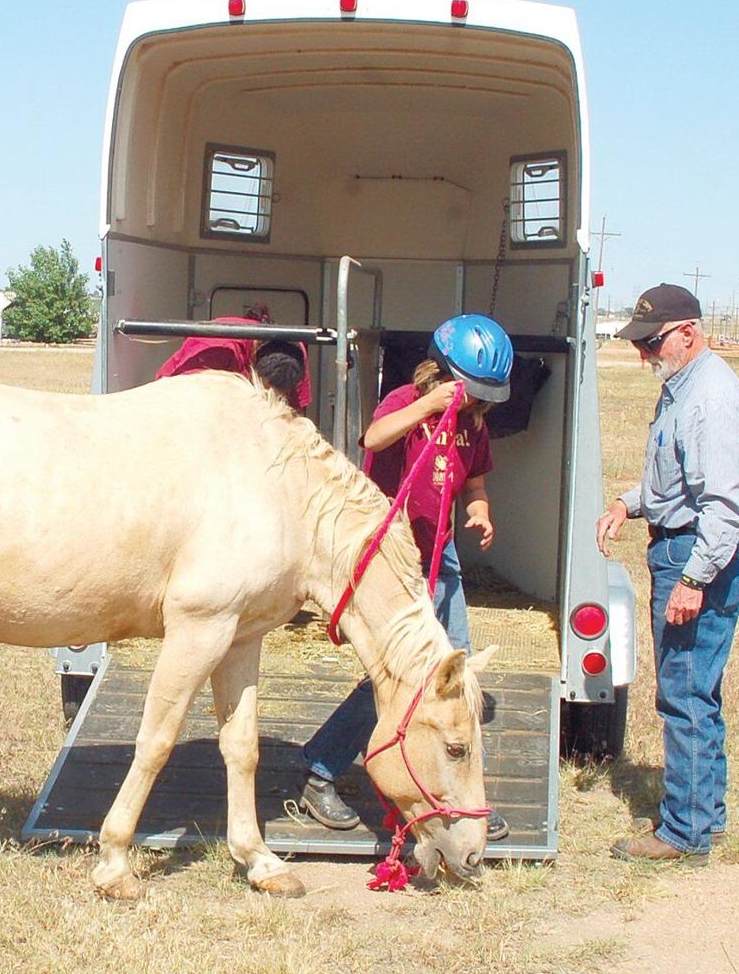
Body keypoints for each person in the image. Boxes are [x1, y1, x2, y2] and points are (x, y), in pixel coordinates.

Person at [298, 313, 513, 841]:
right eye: (469, 391)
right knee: (397, 677)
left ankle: (459, 794)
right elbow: (372, 440)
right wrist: (427, 407)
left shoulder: (474, 425)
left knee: (457, 681)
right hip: (392, 563)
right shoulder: (404, 403)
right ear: (443, 375)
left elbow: (475, 483)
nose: (473, 402)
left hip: (441, 558)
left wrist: (481, 510)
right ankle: (321, 771)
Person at [596, 283, 739, 864]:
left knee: (684, 695)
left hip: (694, 556)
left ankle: (683, 833)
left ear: (687, 333)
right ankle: (705, 816)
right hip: (685, 548)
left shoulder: (707, 399)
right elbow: (678, 483)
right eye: (640, 345)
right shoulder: (682, 388)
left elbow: (723, 506)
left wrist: (693, 579)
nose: (645, 354)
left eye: (652, 342)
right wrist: (628, 503)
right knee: (698, 691)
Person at [154, 305, 312, 410]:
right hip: (185, 401)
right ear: (253, 357)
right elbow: (180, 402)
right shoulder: (216, 347)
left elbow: (295, 414)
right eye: (265, 388)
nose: (270, 397)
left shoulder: (296, 355)